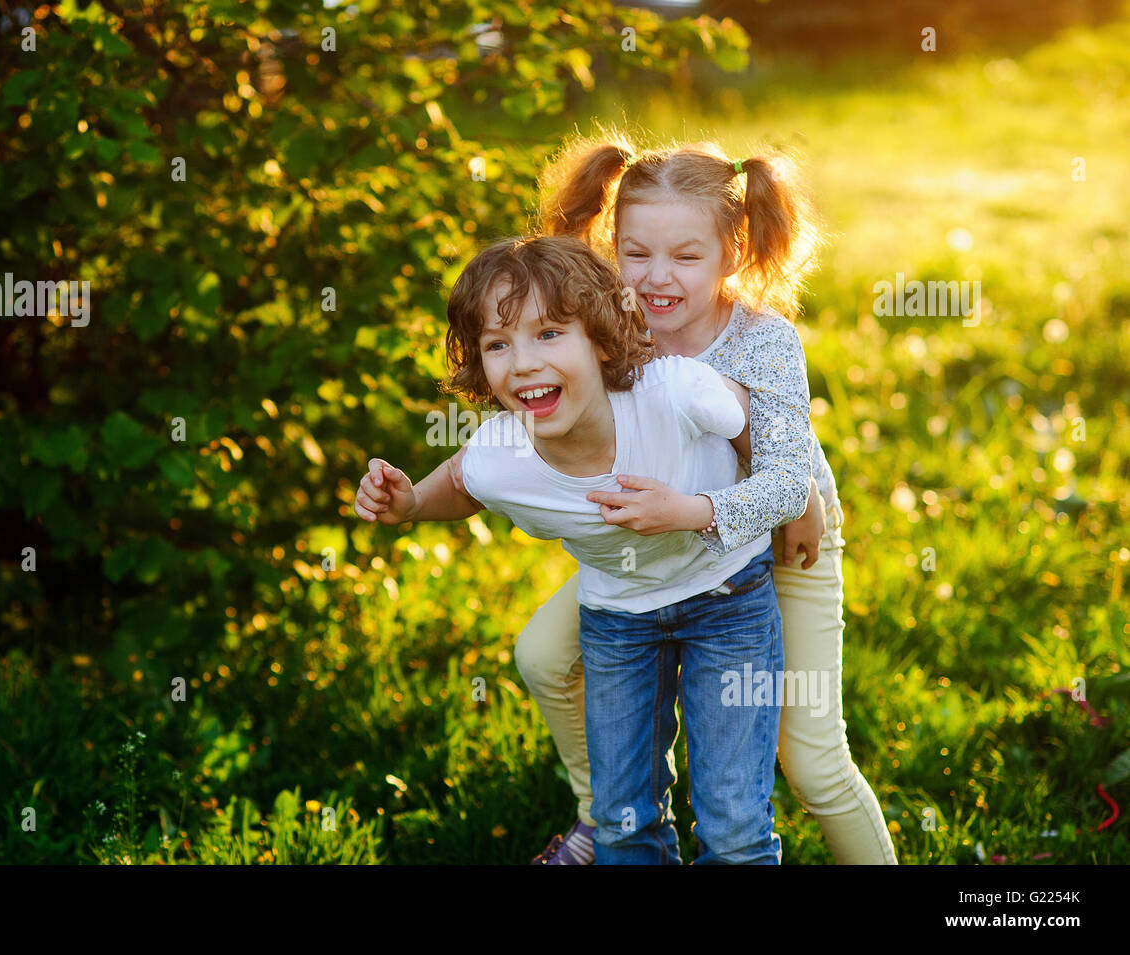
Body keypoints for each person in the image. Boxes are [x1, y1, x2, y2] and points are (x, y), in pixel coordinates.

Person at [516, 133, 898, 865]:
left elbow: (790, 484)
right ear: (611, 245)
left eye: (687, 256)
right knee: (540, 654)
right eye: (636, 252)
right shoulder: (610, 328)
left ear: (735, 253)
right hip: (657, 551)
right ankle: (606, 815)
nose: (658, 277)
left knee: (812, 761)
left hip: (787, 542)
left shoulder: (762, 340)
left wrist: (784, 503)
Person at [356, 234, 793, 864]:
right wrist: (411, 505)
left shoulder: (673, 391)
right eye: (497, 345)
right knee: (622, 824)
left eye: (549, 334)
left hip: (728, 599)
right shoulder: (500, 458)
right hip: (617, 623)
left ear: (601, 339)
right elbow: (461, 479)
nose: (524, 363)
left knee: (731, 826)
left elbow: (770, 434)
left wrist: (794, 501)